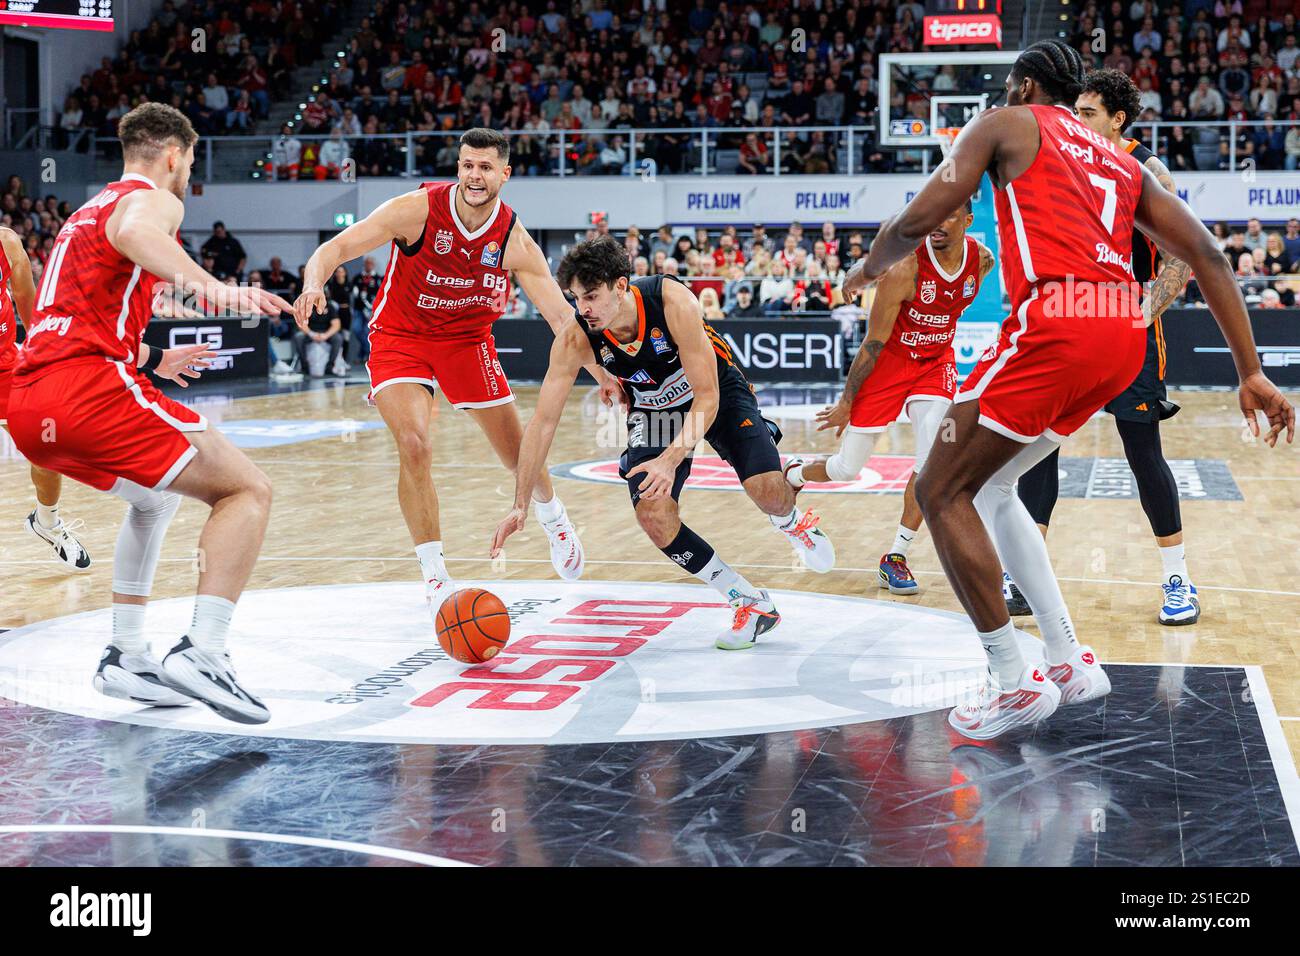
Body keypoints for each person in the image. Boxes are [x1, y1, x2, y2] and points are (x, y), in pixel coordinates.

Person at [840, 40, 1293, 740]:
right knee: (992, 488)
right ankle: (1065, 659)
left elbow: (918, 217)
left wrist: (869, 267)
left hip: (1055, 324)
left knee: (938, 490)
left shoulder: (1004, 122)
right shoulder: (1121, 157)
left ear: (1023, 86)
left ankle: (1011, 679)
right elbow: (1204, 252)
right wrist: (1251, 371)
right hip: (1120, 332)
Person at [7, 103, 293, 724]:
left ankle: (127, 656)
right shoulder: (152, 200)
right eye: (189, 162)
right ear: (172, 155)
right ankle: (205, 651)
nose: (188, 173)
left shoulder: (85, 210)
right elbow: (139, 234)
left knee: (154, 500)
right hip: (87, 391)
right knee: (247, 489)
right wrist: (215, 288)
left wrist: (154, 355)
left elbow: (69, 323)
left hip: (31, 402)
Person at [294, 128, 609, 619]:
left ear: (504, 173)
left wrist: (604, 373)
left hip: (467, 343)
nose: (474, 176)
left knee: (515, 451)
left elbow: (560, 320)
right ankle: (436, 575)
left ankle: (554, 516)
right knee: (415, 444)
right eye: (467, 165)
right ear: (458, 167)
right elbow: (336, 247)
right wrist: (313, 283)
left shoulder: (513, 240)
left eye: (485, 167)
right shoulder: (415, 210)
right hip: (402, 338)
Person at [491, 237, 835, 650]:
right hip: (655, 411)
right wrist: (520, 502)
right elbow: (543, 423)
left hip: (715, 392)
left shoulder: (673, 301)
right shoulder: (576, 337)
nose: (583, 309)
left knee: (770, 495)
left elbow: (707, 397)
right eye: (577, 298)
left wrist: (671, 459)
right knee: (653, 515)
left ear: (621, 286)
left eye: (592, 296)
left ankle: (791, 509)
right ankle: (746, 598)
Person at [1009, 69, 1199, 625]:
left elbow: (1182, 256)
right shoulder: (1065, 158)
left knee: (1143, 454)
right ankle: (1022, 577)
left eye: (1087, 112)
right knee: (1039, 451)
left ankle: (1177, 579)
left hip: (1128, 331)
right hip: (1069, 325)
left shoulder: (1148, 169)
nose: (1076, 120)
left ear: (1118, 120)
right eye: (1074, 111)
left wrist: (1141, 313)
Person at [788, 200, 993, 595]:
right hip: (889, 363)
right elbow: (873, 342)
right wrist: (848, 402)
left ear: (967, 221)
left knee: (932, 455)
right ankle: (795, 473)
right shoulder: (906, 268)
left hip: (935, 362)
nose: (937, 220)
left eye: (948, 214)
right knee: (847, 468)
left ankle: (896, 555)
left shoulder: (981, 261)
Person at [0, 225, 92, 569]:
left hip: (7, 372)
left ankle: (47, 523)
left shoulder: (7, 244)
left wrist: (46, 355)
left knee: (48, 455)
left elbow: (26, 301)